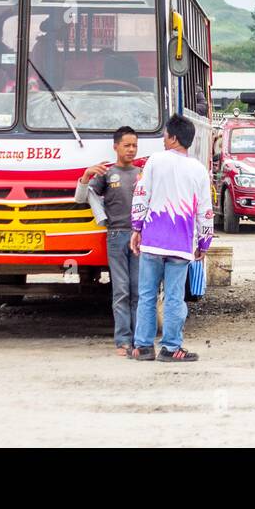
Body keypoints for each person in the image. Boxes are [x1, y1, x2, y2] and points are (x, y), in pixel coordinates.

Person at [129, 114, 214, 363]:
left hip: (153, 241)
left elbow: (141, 195)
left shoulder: (155, 161)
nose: (163, 139)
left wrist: (136, 228)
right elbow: (205, 211)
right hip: (181, 245)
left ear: (174, 138)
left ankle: (143, 347)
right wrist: (204, 243)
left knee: (146, 295)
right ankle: (171, 348)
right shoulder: (199, 170)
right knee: (174, 297)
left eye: (165, 134)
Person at [76, 126, 142, 357]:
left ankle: (140, 339)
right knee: (121, 289)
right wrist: (85, 177)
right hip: (115, 236)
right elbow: (81, 198)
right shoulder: (106, 174)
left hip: (139, 237)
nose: (131, 150)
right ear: (116, 147)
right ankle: (123, 340)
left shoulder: (141, 174)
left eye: (134, 145)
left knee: (138, 290)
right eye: (127, 145)